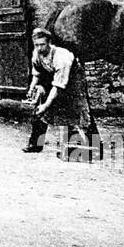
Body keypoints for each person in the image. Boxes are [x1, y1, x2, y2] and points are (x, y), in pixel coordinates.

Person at [25, 27, 99, 156]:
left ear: (49, 43)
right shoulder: (36, 53)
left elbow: (58, 86)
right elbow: (36, 74)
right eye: (36, 45)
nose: (39, 48)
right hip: (52, 78)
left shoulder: (62, 56)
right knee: (38, 109)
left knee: (77, 112)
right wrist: (31, 89)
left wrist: (46, 105)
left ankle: (91, 148)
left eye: (42, 45)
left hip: (73, 80)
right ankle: (36, 144)